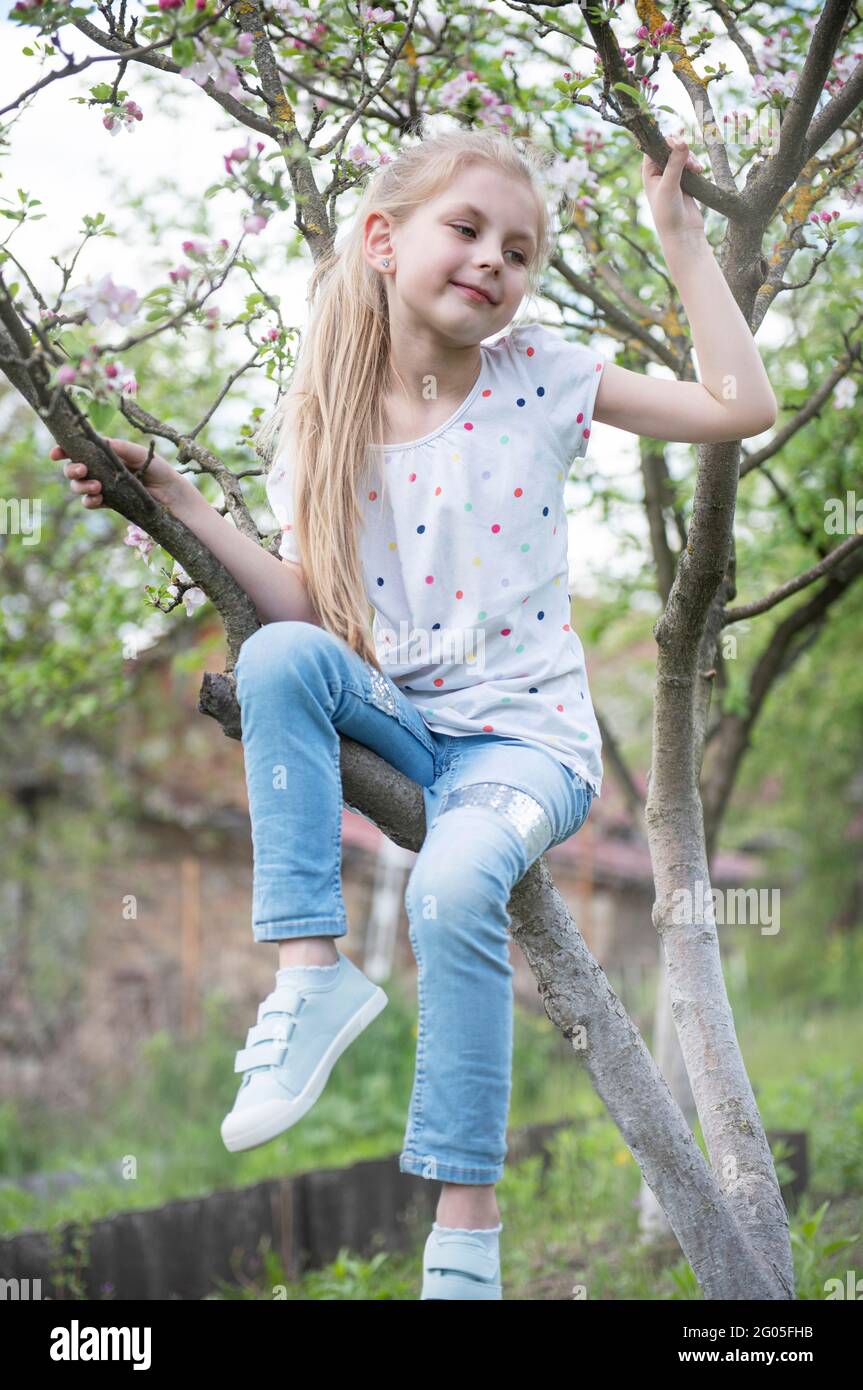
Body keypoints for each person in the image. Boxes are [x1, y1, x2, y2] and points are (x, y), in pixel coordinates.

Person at [55, 121, 777, 1300]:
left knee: (449, 886)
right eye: (467, 228)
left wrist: (681, 237)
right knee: (280, 655)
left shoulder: (539, 374)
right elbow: (304, 609)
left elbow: (735, 407)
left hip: (521, 748)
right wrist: (174, 494)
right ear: (382, 241)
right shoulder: (325, 419)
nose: (495, 258)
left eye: (520, 249)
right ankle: (310, 975)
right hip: (402, 714)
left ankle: (464, 1236)